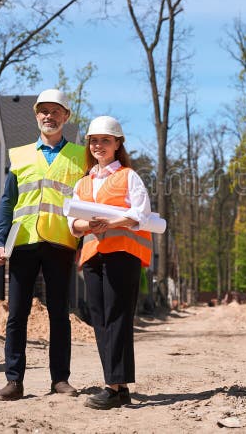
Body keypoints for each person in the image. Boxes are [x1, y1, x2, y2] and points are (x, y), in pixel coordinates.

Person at [0, 88, 86, 401]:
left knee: (60, 314)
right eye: (43, 110)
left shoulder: (80, 157)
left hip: (61, 243)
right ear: (36, 115)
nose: (49, 116)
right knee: (17, 314)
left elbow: (88, 204)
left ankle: (60, 379)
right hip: (24, 243)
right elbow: (7, 204)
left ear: (66, 117)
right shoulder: (18, 156)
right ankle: (14, 381)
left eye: (55, 111)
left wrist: (87, 244)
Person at [66, 115, 153, 410]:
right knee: (100, 320)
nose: (98, 145)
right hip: (93, 257)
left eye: (105, 140)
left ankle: (112, 388)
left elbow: (139, 214)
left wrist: (110, 222)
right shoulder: (83, 183)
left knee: (117, 317)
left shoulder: (129, 177)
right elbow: (73, 224)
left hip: (122, 255)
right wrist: (89, 227)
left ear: (117, 144)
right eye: (94, 141)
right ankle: (120, 386)